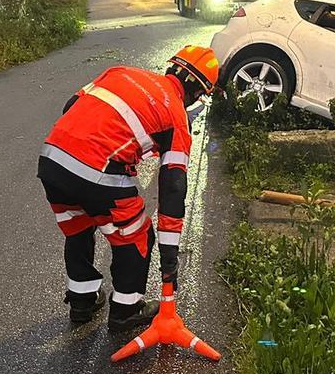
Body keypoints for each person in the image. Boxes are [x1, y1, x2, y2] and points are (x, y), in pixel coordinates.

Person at [37, 46, 219, 330]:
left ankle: (82, 301)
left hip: (52, 159)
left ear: (172, 68)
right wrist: (169, 259)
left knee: (80, 225)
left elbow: (70, 106)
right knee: (136, 234)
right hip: (96, 169)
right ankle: (126, 309)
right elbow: (173, 188)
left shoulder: (121, 72)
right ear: (197, 92)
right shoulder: (176, 117)